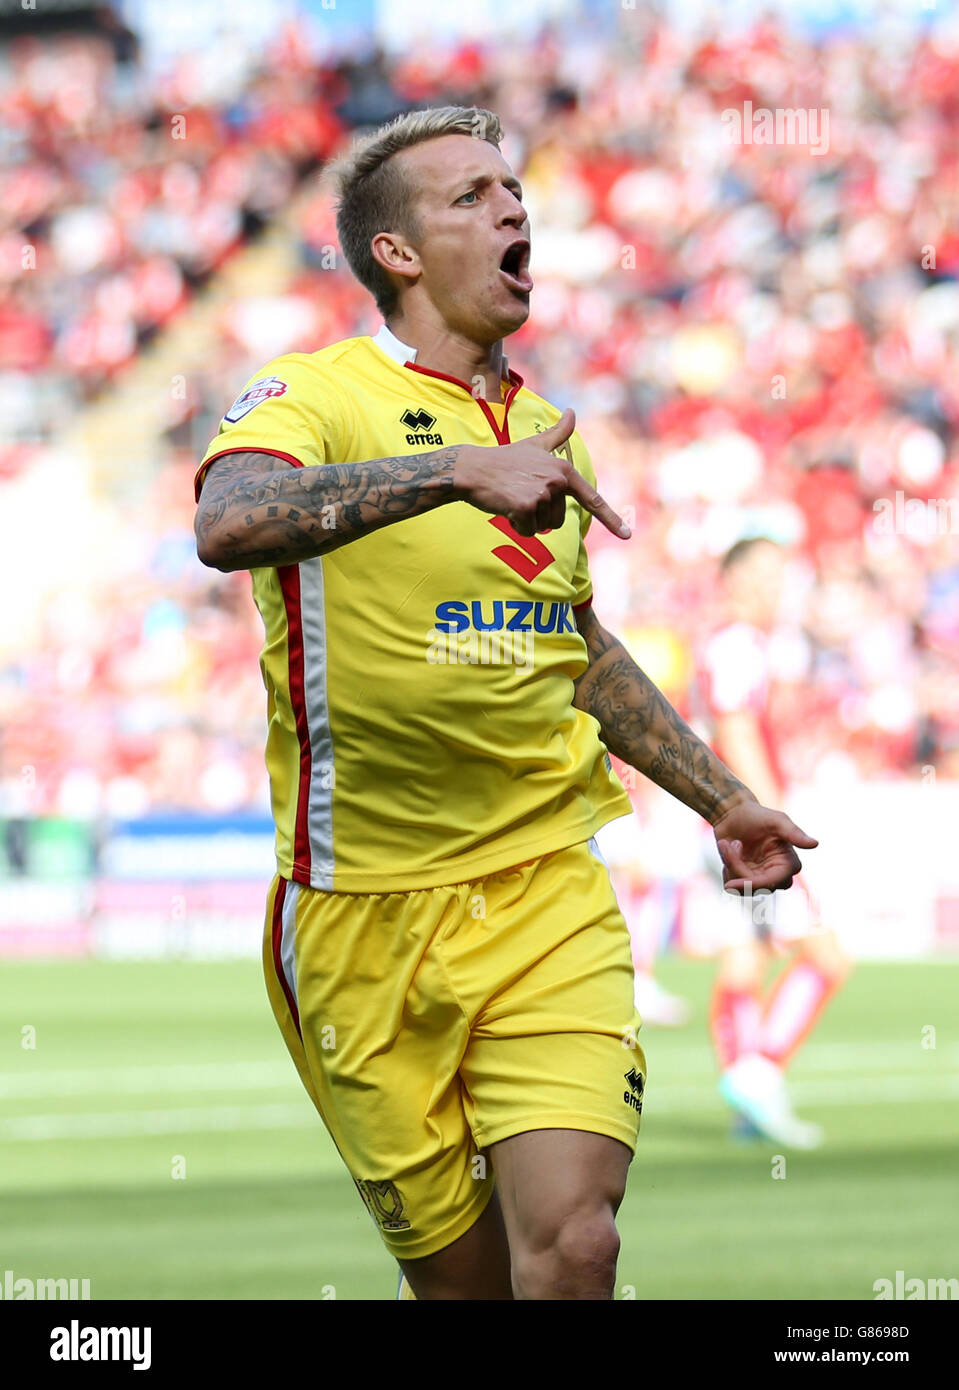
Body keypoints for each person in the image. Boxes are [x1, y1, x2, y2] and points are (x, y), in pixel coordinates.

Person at [192, 106, 817, 1300]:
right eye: (471, 196)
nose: (512, 207)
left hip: (545, 888)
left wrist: (721, 799)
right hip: (358, 915)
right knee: (467, 1290)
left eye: (513, 190)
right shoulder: (313, 391)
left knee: (577, 1250)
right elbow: (228, 524)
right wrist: (448, 471)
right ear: (398, 251)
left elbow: (571, 645)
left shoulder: (541, 426)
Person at [697, 538, 851, 1149]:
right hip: (750, 834)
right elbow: (735, 731)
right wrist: (766, 824)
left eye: (780, 573)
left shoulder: (742, 645)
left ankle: (749, 1096)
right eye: (761, 573)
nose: (775, 585)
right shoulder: (737, 644)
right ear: (732, 579)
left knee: (747, 959)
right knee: (826, 958)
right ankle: (756, 1075)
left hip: (725, 829)